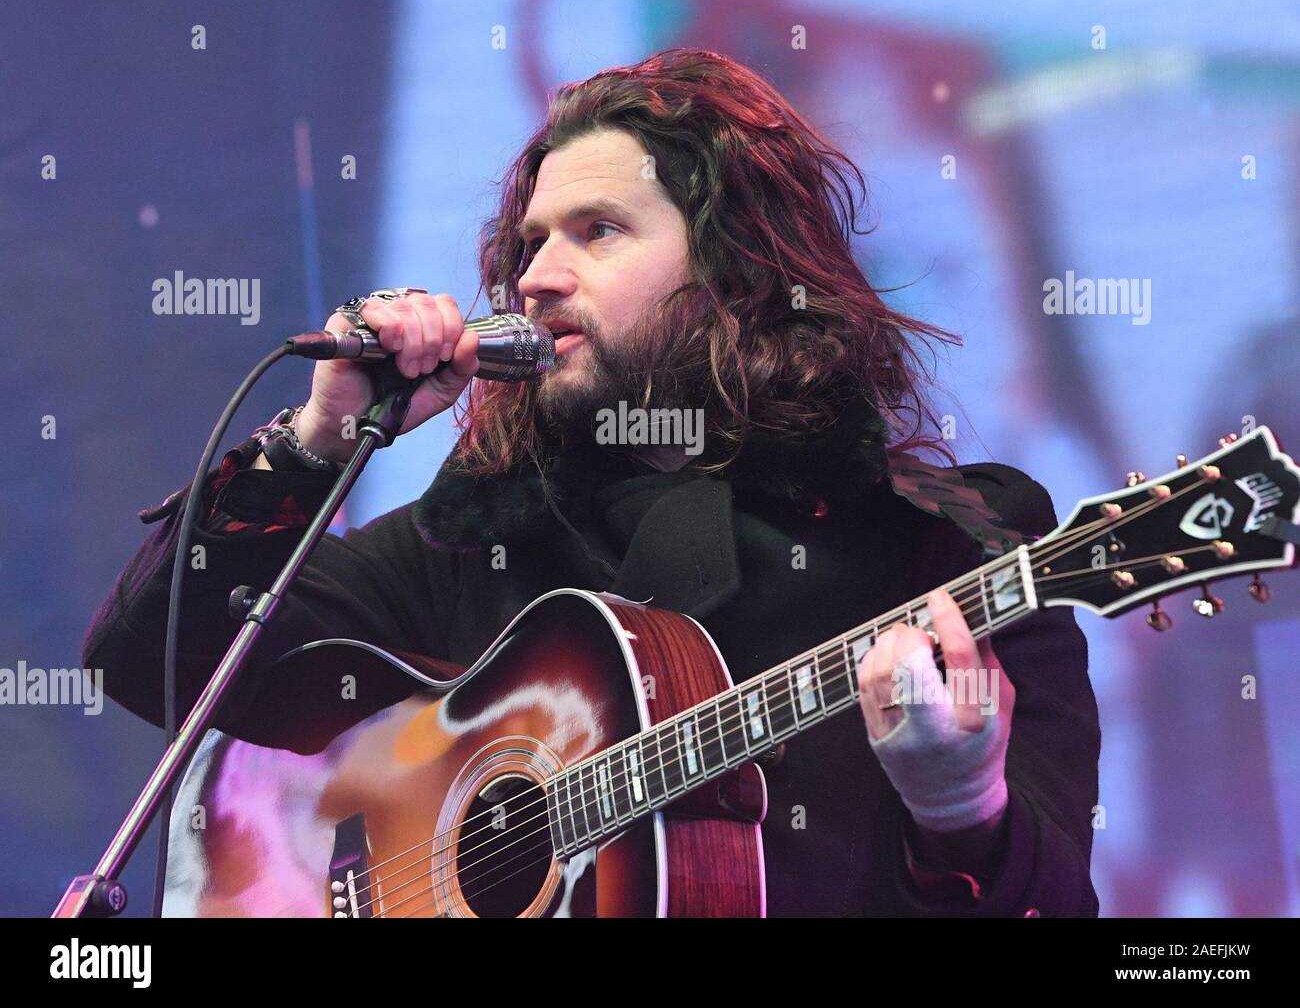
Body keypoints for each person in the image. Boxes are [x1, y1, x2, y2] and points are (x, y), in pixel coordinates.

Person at [82, 47, 1101, 917]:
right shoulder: (474, 536)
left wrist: (960, 809)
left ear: (737, 272)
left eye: (596, 231)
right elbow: (150, 659)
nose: (535, 277)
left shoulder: (947, 553)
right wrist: (318, 439)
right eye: (529, 244)